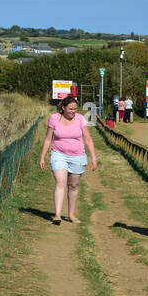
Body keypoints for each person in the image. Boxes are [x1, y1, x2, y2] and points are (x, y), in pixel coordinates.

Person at [39, 95, 98, 225]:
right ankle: (58, 214)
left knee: (73, 185)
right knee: (60, 181)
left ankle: (71, 214)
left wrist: (93, 157)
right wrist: (42, 156)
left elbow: (87, 138)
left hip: (77, 156)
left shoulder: (81, 119)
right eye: (70, 109)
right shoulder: (54, 118)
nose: (73, 111)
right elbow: (48, 138)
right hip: (59, 154)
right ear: (63, 108)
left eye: (75, 109)